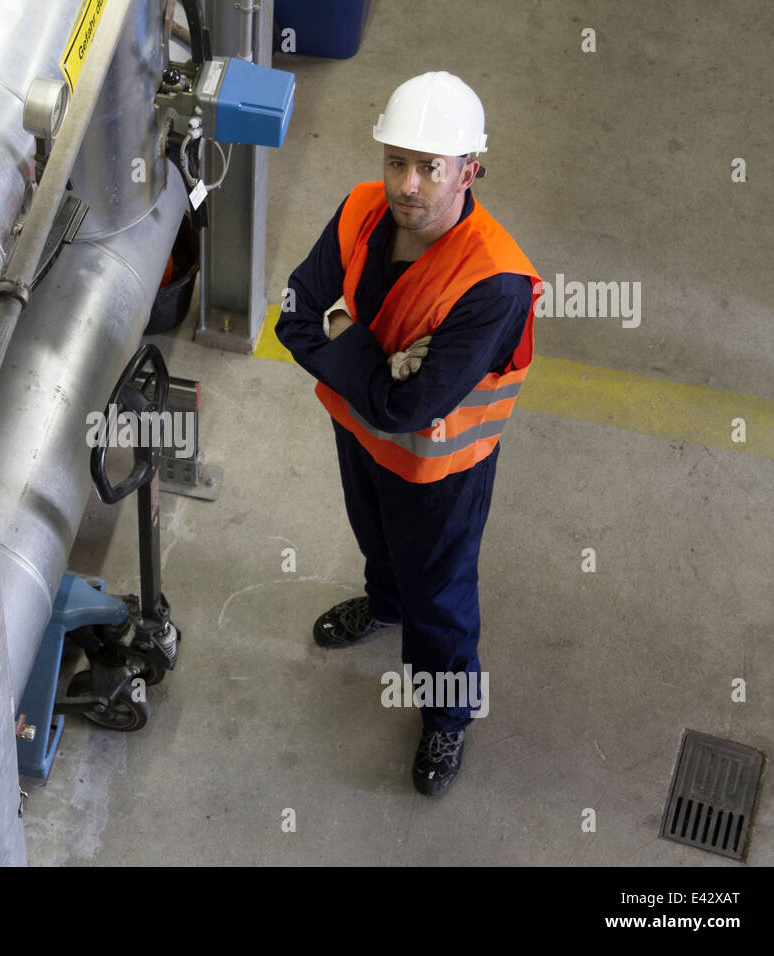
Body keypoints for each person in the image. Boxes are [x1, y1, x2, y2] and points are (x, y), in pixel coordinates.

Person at [275, 71, 541, 797]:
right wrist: (357, 348)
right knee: (376, 540)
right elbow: (294, 315)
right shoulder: (363, 209)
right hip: (359, 438)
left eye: (430, 167)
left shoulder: (496, 282)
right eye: (398, 162)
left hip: (440, 472)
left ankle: (448, 713)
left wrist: (342, 333)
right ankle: (384, 602)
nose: (409, 186)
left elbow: (411, 407)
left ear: (469, 170)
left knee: (441, 594)